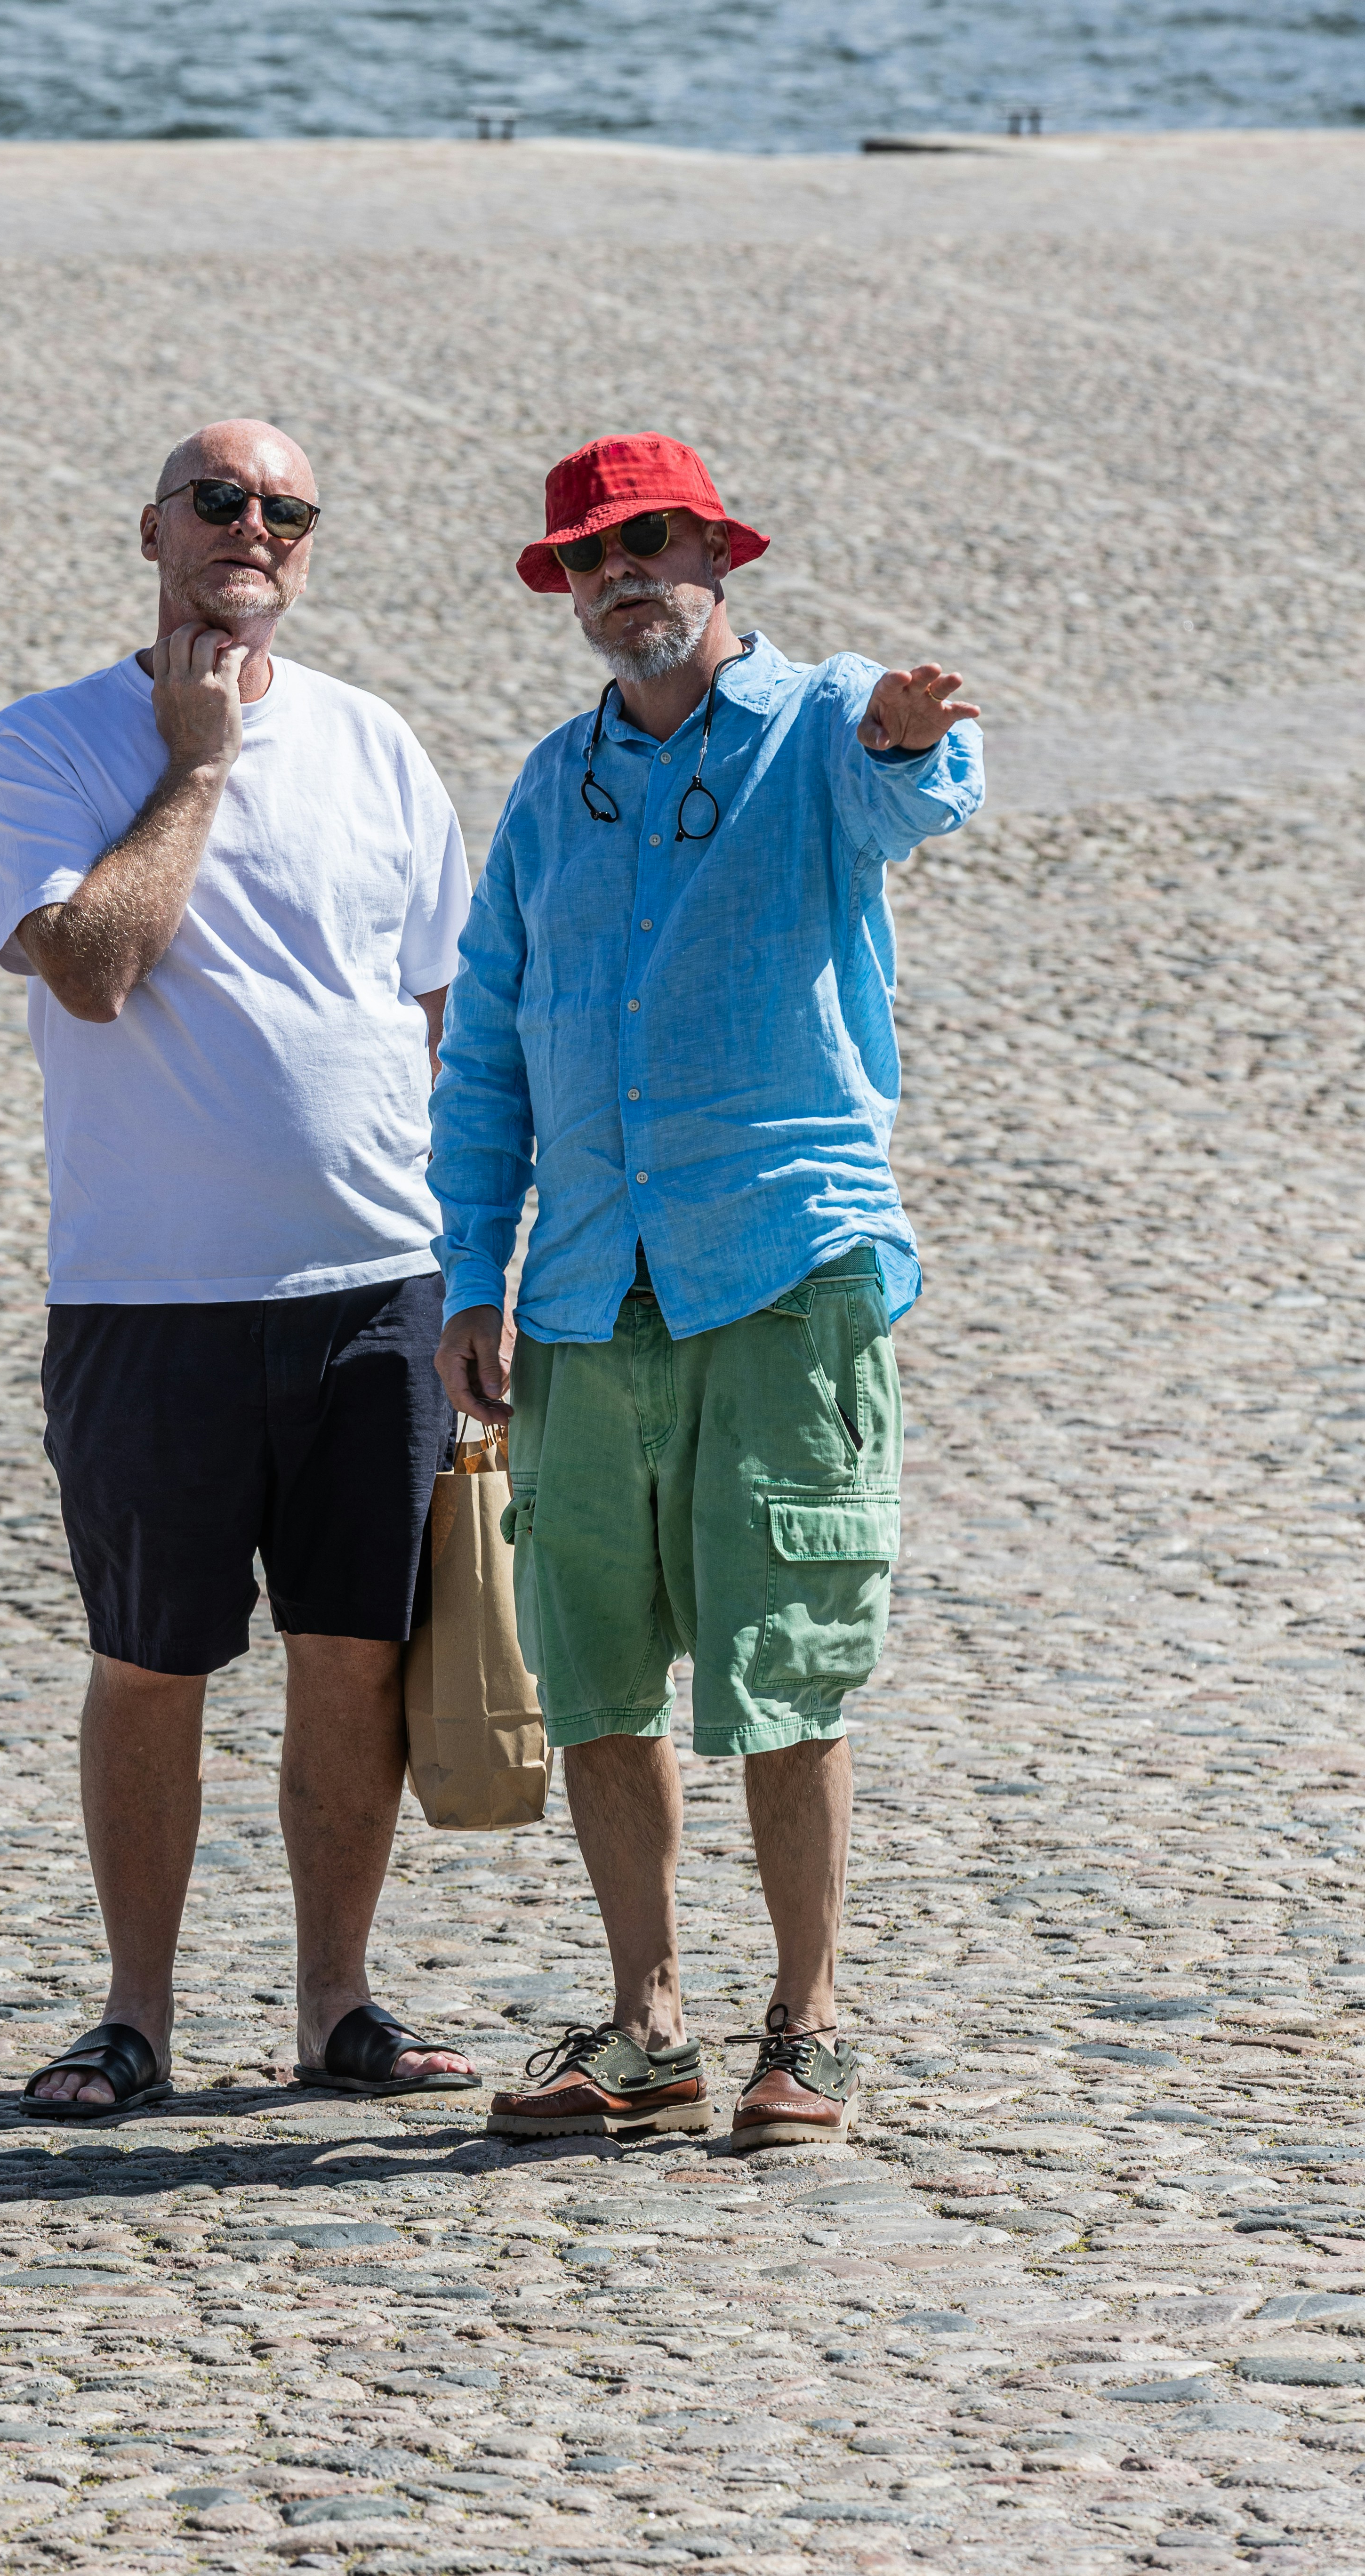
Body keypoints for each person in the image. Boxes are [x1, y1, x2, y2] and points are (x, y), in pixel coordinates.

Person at [428, 434, 983, 2151]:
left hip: (779, 1270)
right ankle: (646, 2024)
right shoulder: (548, 789)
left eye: (650, 545)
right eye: (591, 557)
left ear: (717, 558)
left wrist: (914, 734)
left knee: (785, 1664)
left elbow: (922, 789)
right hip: (590, 1291)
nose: (622, 578)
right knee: (597, 1673)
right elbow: (489, 1064)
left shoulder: (822, 726)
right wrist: (474, 1271)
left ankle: (807, 2024)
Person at [0, 417, 478, 2115]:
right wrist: (196, 764)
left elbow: (432, 1018)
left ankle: (337, 2005)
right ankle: (137, 2016)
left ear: (309, 547)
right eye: (218, 500)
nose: (249, 527)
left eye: (285, 510)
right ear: (153, 529)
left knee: (359, 1651)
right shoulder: (52, 740)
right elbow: (93, 971)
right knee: (151, 1656)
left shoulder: (379, 741)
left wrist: (469, 1267)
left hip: (372, 1287)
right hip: (147, 1293)